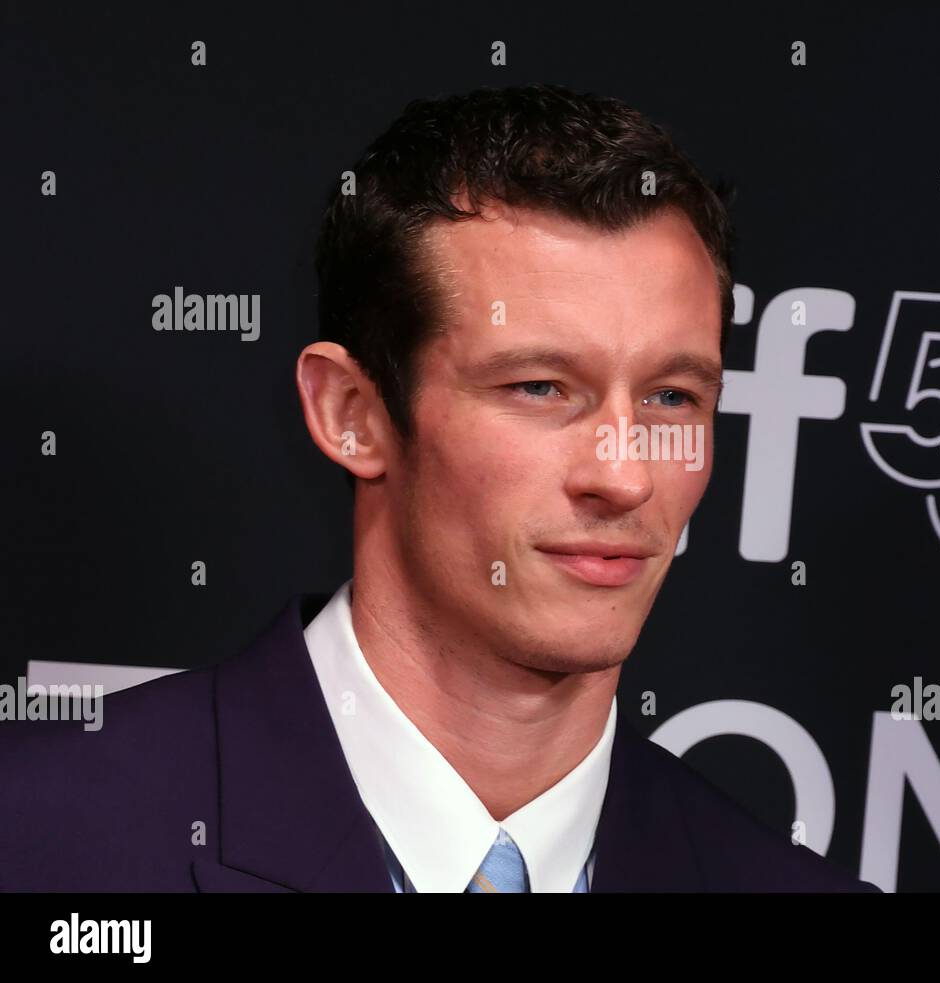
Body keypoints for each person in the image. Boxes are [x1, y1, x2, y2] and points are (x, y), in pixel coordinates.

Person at [0, 84, 878, 893]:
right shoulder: (43, 840)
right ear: (352, 412)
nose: (625, 473)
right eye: (539, 387)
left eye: (670, 396)